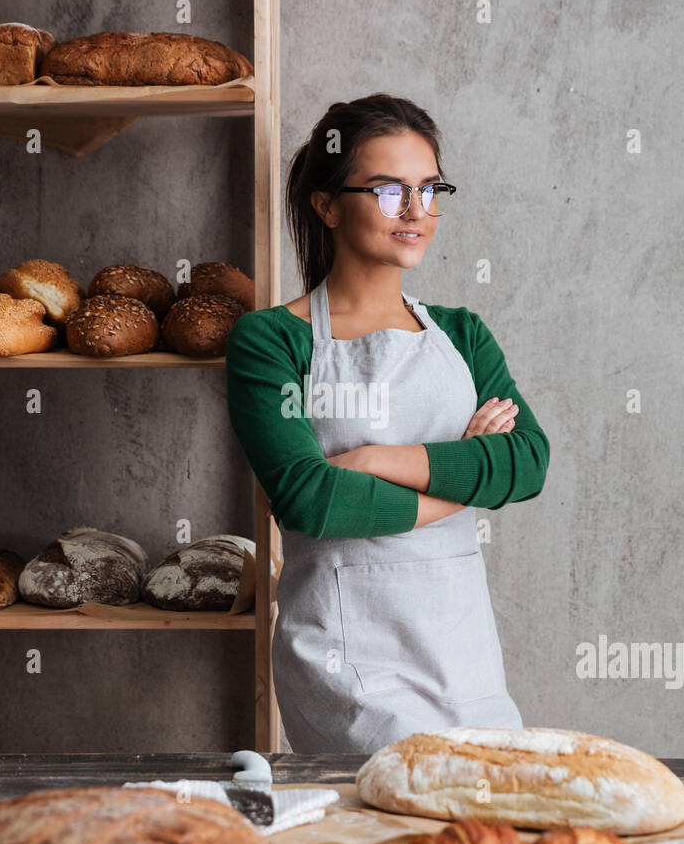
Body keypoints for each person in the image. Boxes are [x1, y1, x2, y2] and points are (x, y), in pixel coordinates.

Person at [226, 93, 550, 752]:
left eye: (429, 190)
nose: (415, 213)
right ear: (326, 204)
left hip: (465, 657)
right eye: (389, 191)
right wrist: (466, 474)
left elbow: (528, 462)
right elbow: (311, 502)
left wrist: (372, 461)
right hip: (349, 662)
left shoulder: (464, 333)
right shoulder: (271, 341)